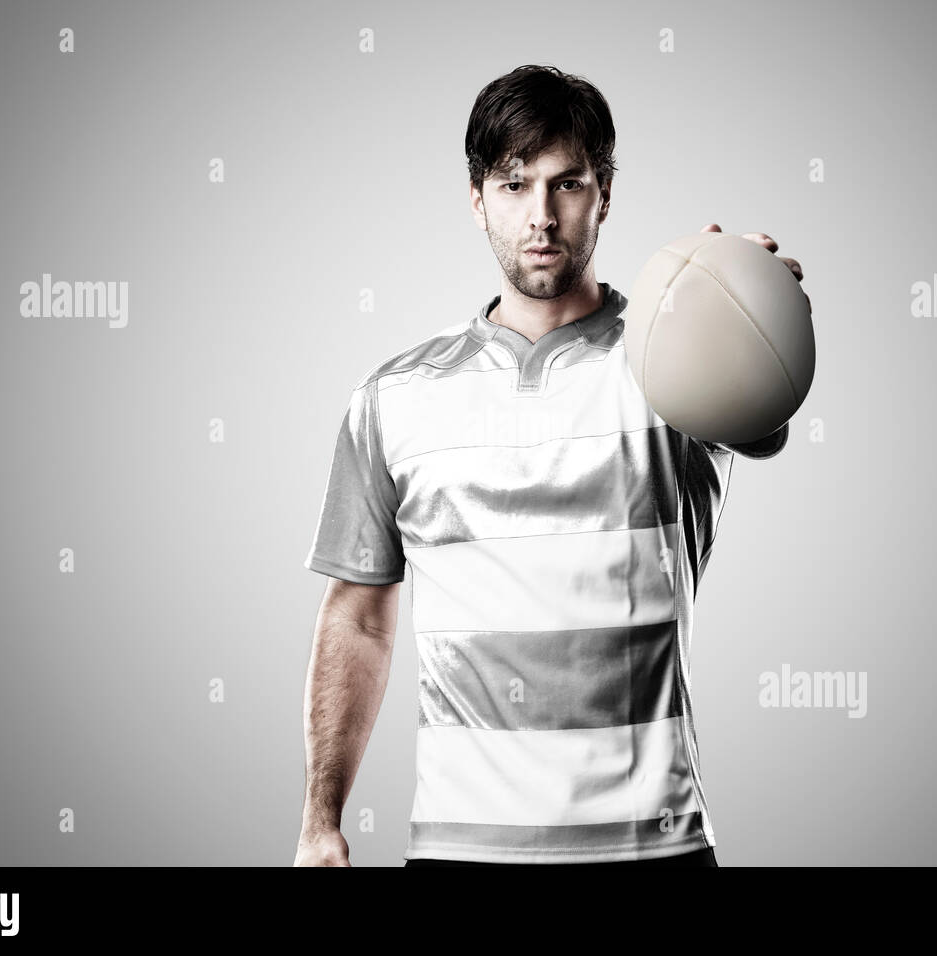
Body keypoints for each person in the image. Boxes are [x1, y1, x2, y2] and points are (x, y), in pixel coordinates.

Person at [294, 64, 808, 867]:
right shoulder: (394, 397)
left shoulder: (674, 365)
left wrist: (754, 312)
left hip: (654, 849)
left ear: (604, 193)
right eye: (513, 184)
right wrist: (320, 819)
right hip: (463, 850)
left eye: (566, 184)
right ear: (476, 199)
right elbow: (357, 617)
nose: (541, 216)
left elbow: (761, 416)